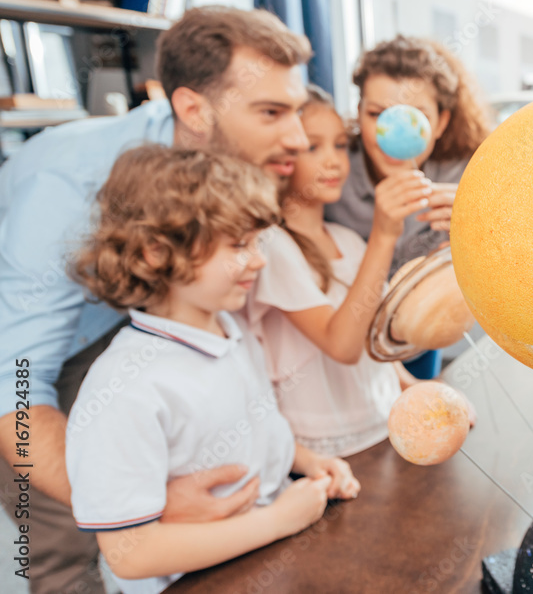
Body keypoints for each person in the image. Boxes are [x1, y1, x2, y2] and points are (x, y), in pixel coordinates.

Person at [0, 5, 312, 593]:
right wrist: (137, 502)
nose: (296, 136)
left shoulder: (215, 166)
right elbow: (13, 385)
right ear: (193, 109)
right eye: (271, 112)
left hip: (132, 324)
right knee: (62, 549)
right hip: (28, 364)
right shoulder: (66, 193)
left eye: (296, 108)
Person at [66, 146, 359, 594]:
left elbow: (255, 426)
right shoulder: (124, 389)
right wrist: (276, 521)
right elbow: (130, 553)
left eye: (257, 242)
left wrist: (309, 461)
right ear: (156, 253)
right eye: (239, 245)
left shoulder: (229, 327)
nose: (259, 260)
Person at [245, 85, 428, 456]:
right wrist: (384, 235)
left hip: (384, 427)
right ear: (284, 156)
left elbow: (370, 339)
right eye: (314, 147)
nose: (334, 161)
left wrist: (415, 390)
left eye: (340, 145)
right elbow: (342, 344)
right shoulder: (272, 246)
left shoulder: (348, 240)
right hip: (328, 451)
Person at [325, 35, 492, 379]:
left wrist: (481, 225)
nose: (393, 134)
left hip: (422, 334)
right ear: (358, 114)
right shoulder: (333, 178)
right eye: (376, 114)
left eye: (415, 117)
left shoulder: (469, 174)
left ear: (442, 122)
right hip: (344, 348)